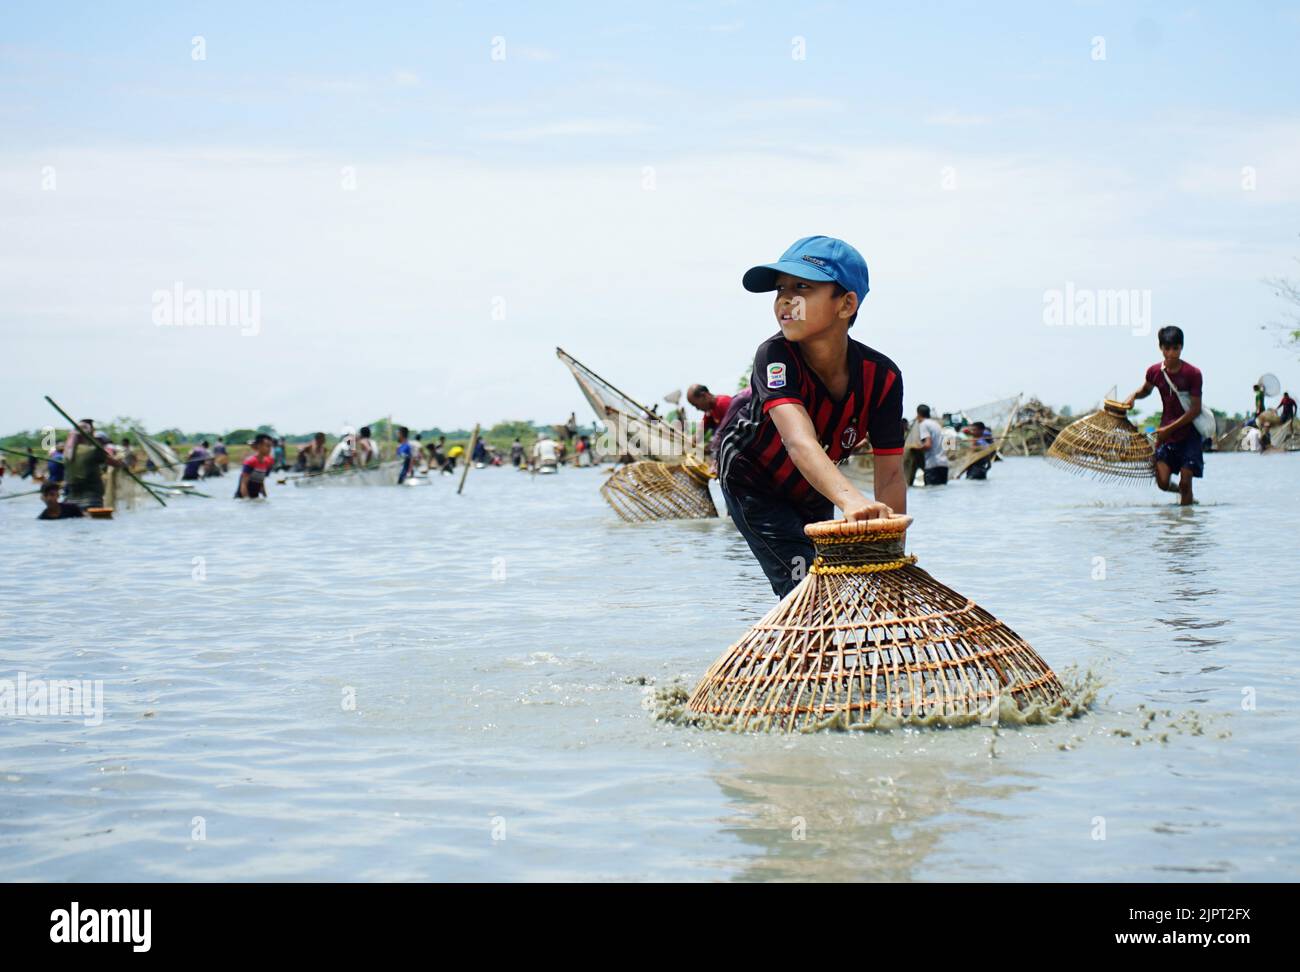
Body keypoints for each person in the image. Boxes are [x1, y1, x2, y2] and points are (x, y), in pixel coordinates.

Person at [716, 235, 905, 599]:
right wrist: (851, 501)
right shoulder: (775, 356)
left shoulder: (882, 378)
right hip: (753, 482)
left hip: (814, 488)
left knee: (829, 581)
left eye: (801, 287)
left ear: (846, 303)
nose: (785, 300)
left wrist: (889, 551)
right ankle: (794, 654)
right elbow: (798, 440)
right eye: (780, 289)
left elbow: (892, 473)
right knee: (805, 586)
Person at [1123, 324, 1204, 506]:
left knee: (1186, 481)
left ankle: (1186, 527)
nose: (1171, 353)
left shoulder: (1193, 374)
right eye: (1167, 348)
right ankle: (1184, 494)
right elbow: (1146, 390)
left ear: (1181, 347)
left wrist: (1168, 429)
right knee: (1162, 483)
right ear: (1161, 348)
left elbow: (1195, 410)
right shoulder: (1154, 372)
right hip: (1166, 435)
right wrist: (1134, 396)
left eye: (1175, 348)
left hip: (1189, 434)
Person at [63, 421, 123, 509]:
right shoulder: (93, 451)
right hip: (91, 500)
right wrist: (122, 462)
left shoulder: (66, 454)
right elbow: (115, 463)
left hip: (70, 502)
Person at [914, 405, 948, 486]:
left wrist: (916, 448)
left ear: (918, 414)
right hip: (943, 465)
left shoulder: (923, 424)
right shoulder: (936, 424)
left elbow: (928, 445)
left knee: (931, 494)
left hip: (932, 465)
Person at [235, 434, 275, 498]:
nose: (270, 449)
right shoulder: (250, 462)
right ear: (259, 446)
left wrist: (265, 497)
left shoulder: (267, 462)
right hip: (242, 499)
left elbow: (261, 482)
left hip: (255, 497)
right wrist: (247, 501)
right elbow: (244, 484)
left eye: (271, 446)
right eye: (267, 446)